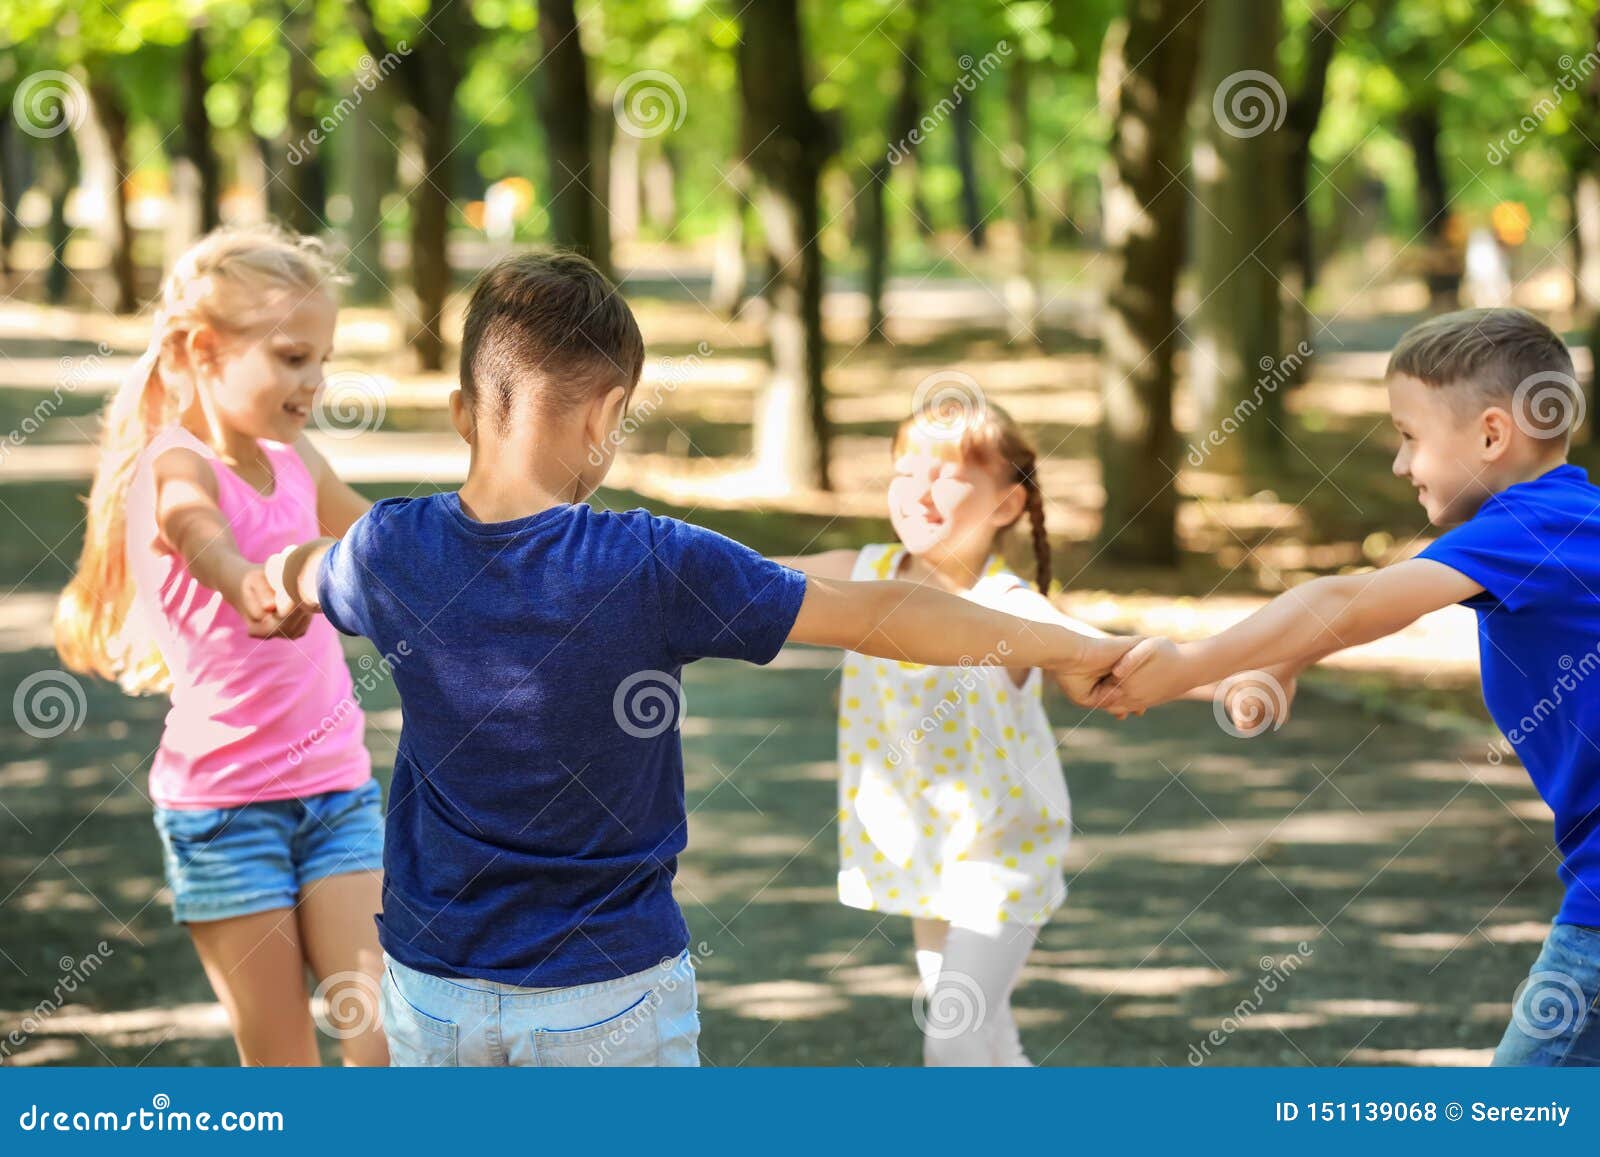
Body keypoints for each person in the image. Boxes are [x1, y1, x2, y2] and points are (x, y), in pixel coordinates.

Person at [264, 251, 1138, 1067]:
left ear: (463, 412)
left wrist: (260, 578)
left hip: (432, 989)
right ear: (608, 415)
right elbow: (880, 612)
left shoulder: (388, 548)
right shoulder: (653, 559)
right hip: (608, 993)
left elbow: (305, 570)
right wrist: (1073, 646)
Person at [1095, 307, 1600, 1067]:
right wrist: (1282, 662)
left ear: (1494, 435)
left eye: (1409, 436)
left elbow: (1344, 600)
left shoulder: (1533, 529)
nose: (1400, 465)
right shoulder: (1557, 519)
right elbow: (1378, 605)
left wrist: (1184, 666)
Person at [782, 401, 1221, 1064]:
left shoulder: (1009, 604)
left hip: (1001, 861)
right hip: (922, 856)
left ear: (1007, 505)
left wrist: (1235, 674)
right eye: (905, 471)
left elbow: (1114, 653)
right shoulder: (862, 572)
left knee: (953, 1043)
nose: (919, 491)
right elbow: (738, 571)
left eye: (948, 475)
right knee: (986, 1038)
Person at [54, 226, 387, 1066]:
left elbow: (371, 529)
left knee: (385, 1040)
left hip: (337, 794)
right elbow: (191, 525)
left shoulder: (293, 454)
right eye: (291, 357)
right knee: (283, 1065)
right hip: (224, 813)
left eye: (322, 358)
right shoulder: (176, 461)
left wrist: (464, 546)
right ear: (205, 351)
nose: (315, 380)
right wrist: (243, 578)